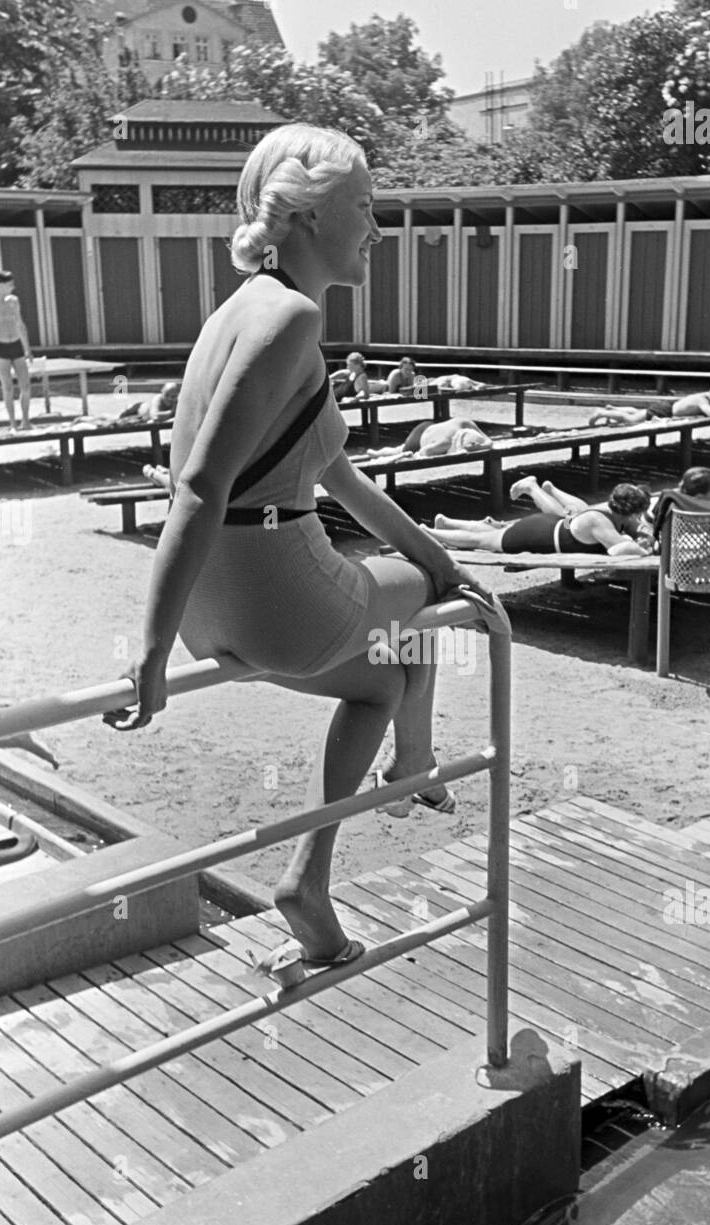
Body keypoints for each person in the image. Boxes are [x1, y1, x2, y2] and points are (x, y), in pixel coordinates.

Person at [102, 123, 491, 976]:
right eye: (364, 207)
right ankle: (418, 764)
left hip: (220, 602)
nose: (376, 229)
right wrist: (146, 650)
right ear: (311, 217)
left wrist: (435, 552)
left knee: (384, 674)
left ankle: (308, 884)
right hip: (278, 590)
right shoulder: (294, 317)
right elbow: (201, 487)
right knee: (423, 622)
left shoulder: (239, 312)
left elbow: (340, 479)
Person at [423, 482, 652, 557]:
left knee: (490, 533)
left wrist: (642, 536)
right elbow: (618, 550)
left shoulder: (611, 510)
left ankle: (447, 522)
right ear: (630, 510)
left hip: (547, 527)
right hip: (538, 534)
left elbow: (637, 531)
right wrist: (644, 550)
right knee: (481, 541)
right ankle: (428, 534)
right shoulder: (599, 521)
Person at [588, 378, 710, 428]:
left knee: (639, 413)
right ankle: (602, 413)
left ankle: (613, 408)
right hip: (666, 411)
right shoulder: (702, 399)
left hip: (666, 407)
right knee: (632, 420)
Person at [0, 270, 33, 430]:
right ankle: (13, 423)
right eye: (10, 285)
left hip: (16, 345)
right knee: (7, 387)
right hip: (0, 347)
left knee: (26, 386)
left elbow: (20, 325)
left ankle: (26, 421)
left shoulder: (14, 300)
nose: (13, 288)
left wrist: (28, 349)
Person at [362, 416, 492, 461]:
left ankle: (377, 453)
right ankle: (377, 453)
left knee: (400, 449)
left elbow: (489, 442)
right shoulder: (448, 441)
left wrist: (480, 447)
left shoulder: (465, 424)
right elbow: (425, 452)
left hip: (432, 431)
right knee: (402, 450)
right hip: (423, 431)